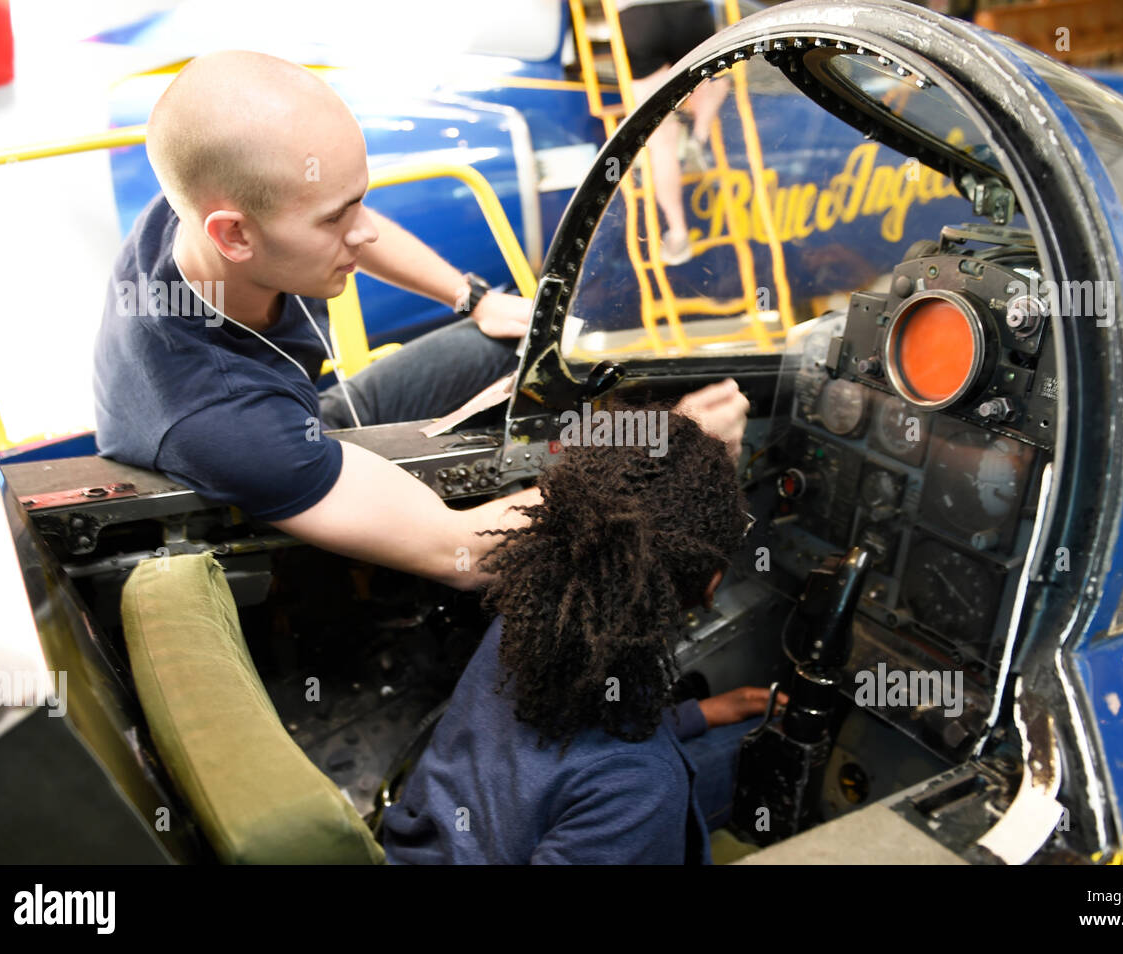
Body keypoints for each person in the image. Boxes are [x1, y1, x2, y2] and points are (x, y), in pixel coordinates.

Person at [91, 50, 749, 587]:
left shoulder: (197, 212)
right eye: (332, 220)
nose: (361, 233)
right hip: (277, 445)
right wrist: (658, 451)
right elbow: (459, 553)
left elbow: (361, 225)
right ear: (232, 234)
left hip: (305, 411)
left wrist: (475, 299)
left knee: (518, 352)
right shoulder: (221, 419)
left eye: (358, 201)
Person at [383, 410, 778, 864]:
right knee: (763, 748)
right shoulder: (643, 790)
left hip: (425, 842)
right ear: (712, 585)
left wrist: (696, 716)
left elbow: (555, 759)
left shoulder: (527, 619)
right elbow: (608, 778)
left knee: (749, 734)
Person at [618, 0, 731, 265]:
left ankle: (679, 232)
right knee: (715, 82)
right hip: (689, 10)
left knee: (661, 141)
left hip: (638, 16)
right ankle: (699, 135)